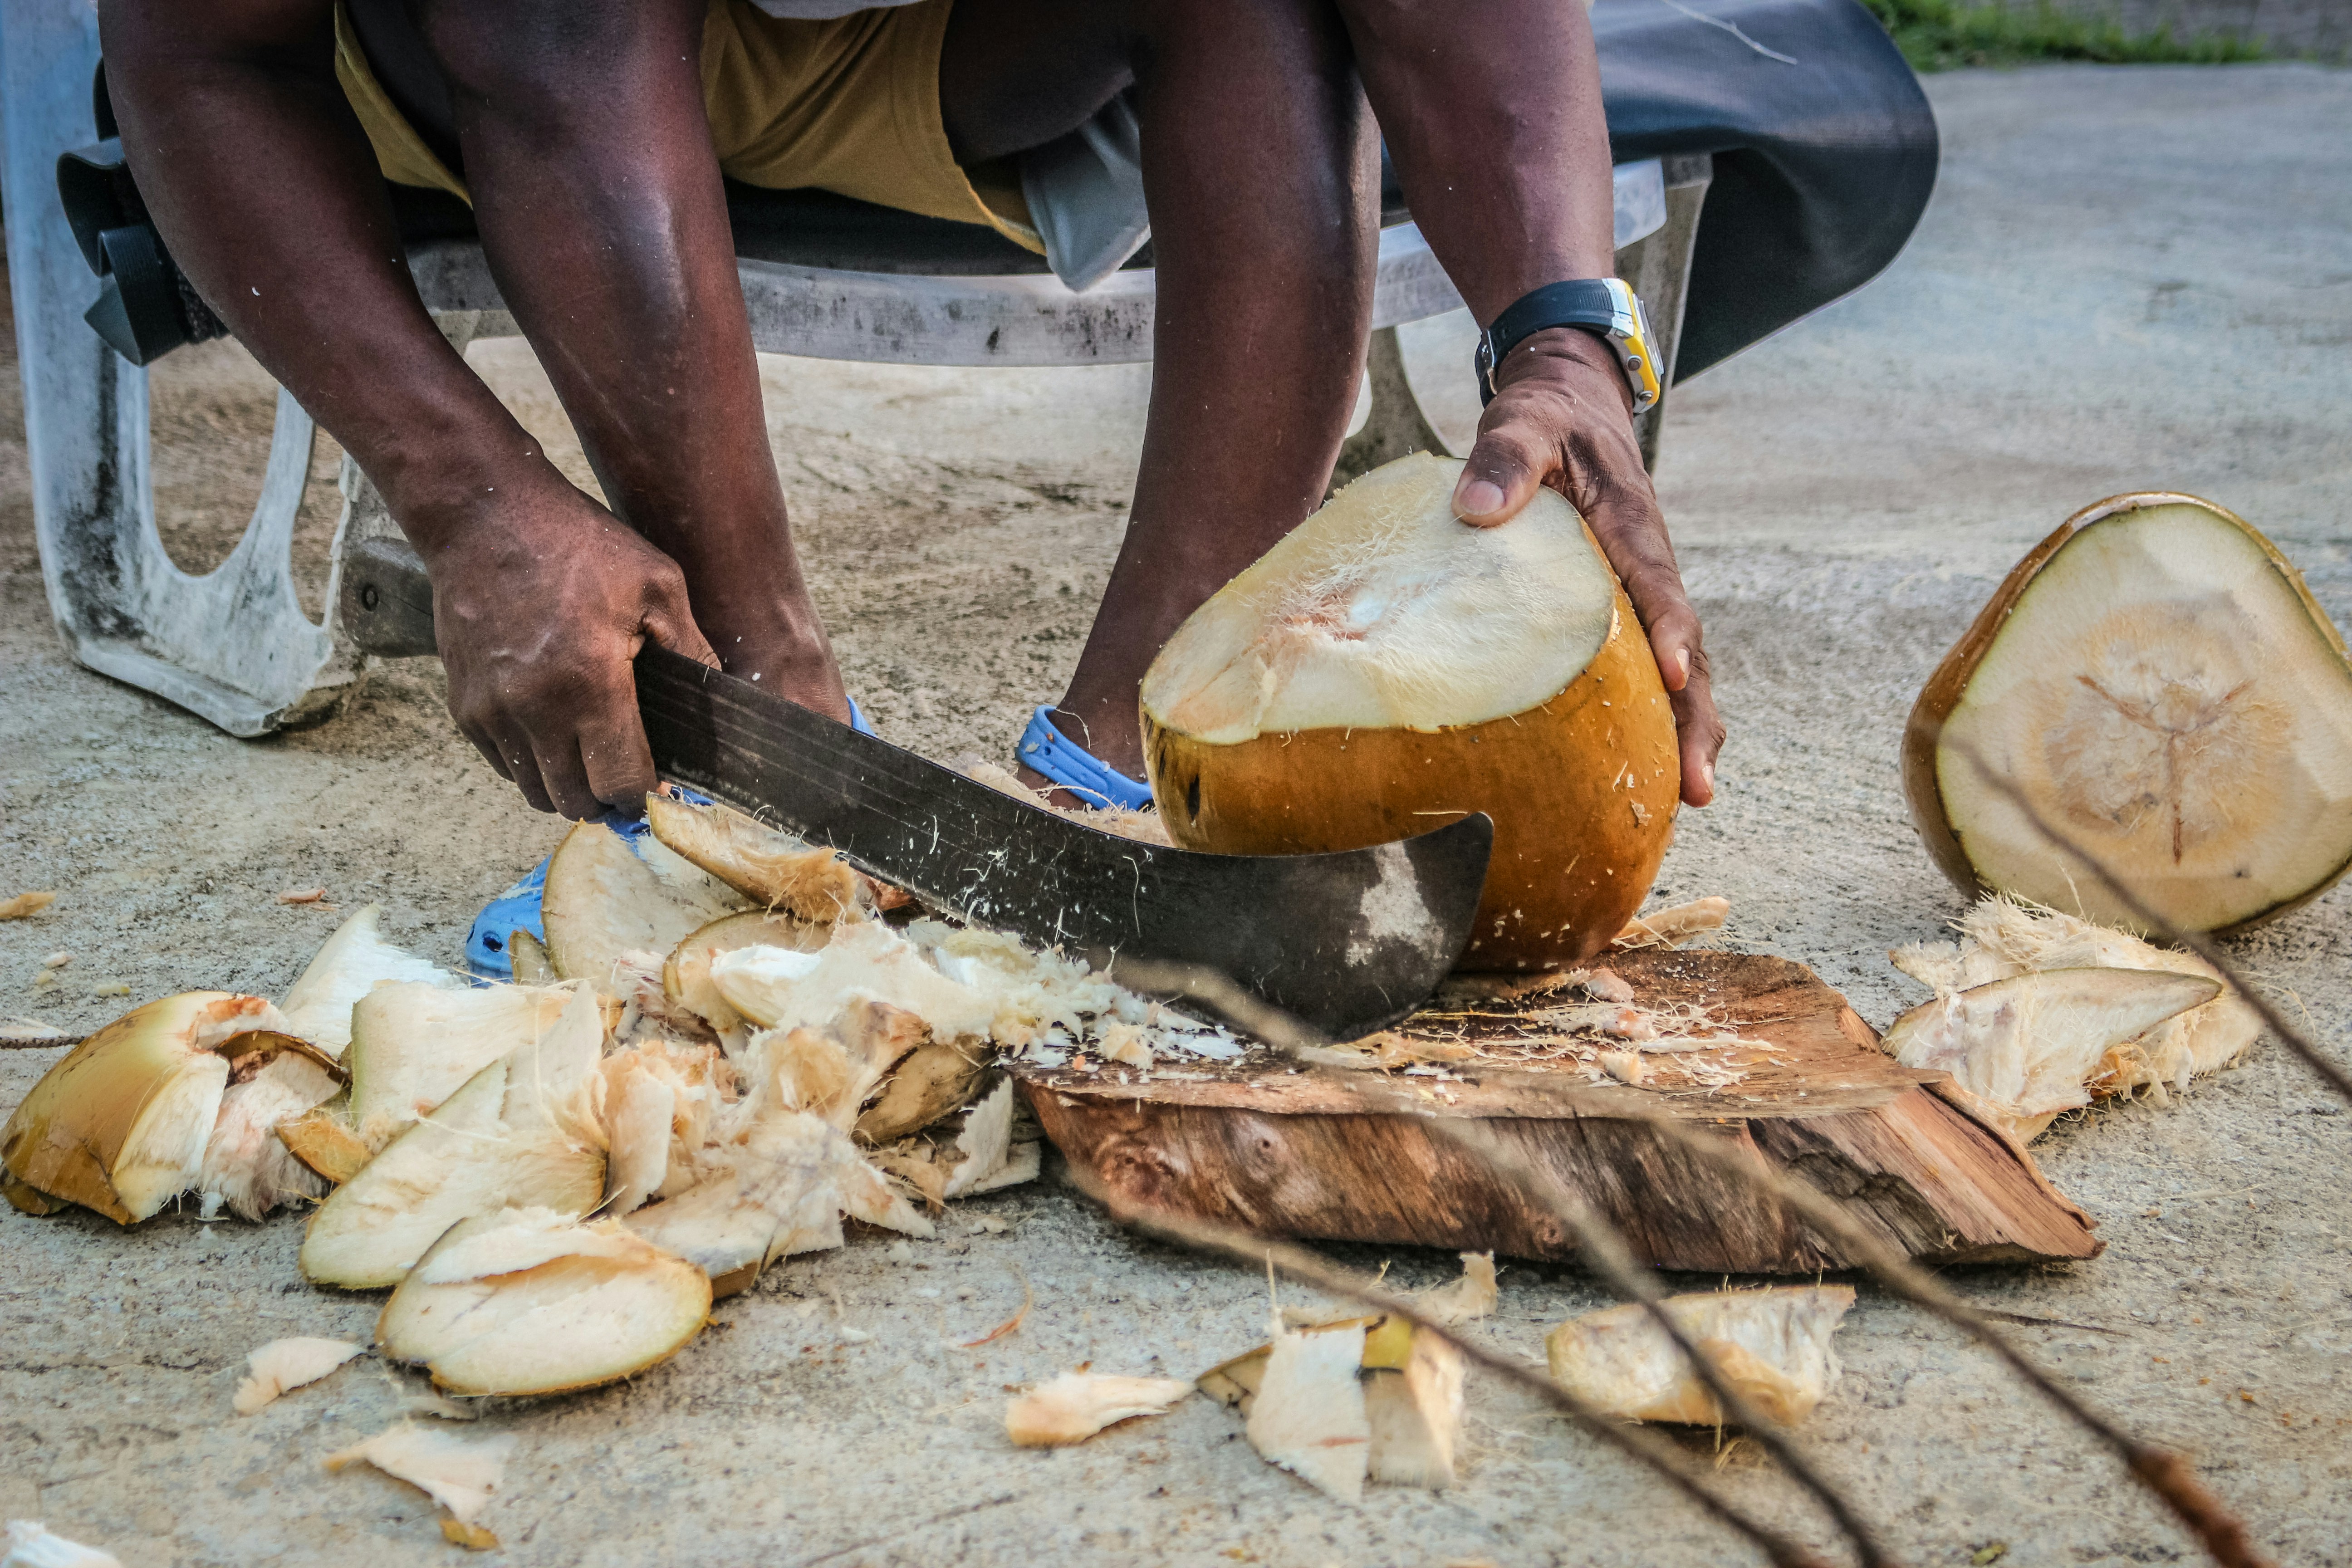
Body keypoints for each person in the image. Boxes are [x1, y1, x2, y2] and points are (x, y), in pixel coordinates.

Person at [103, 0, 1743, 826]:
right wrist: (467, 497)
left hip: (931, 62)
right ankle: (769, 735)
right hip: (470, 61)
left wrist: (1564, 337)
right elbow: (198, 56)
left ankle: (1154, 750)